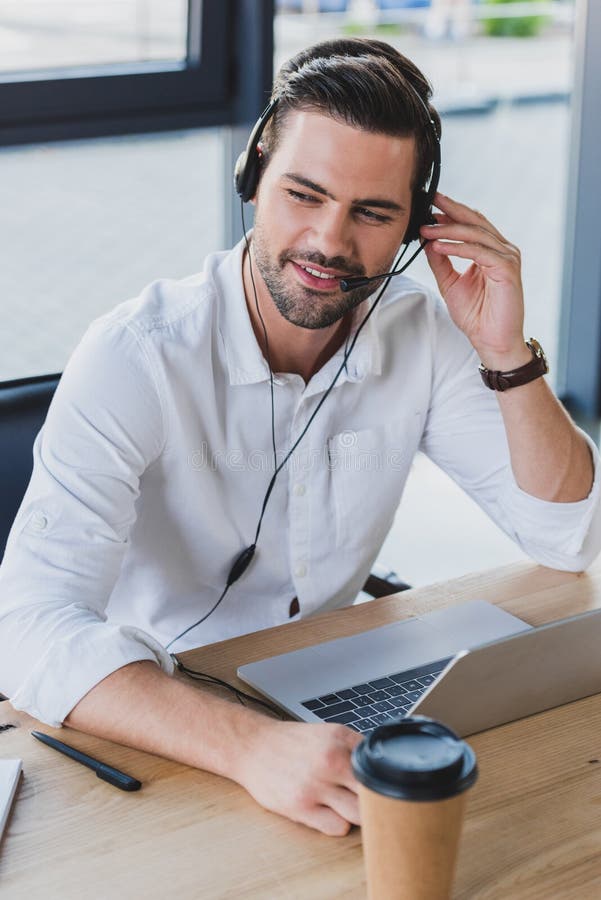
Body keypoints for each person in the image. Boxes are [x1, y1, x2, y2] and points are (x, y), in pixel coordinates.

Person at [0, 38, 599, 838]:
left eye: (372, 212)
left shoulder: (418, 332)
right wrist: (253, 748)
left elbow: (568, 535)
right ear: (252, 178)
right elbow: (26, 626)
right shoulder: (136, 354)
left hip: (323, 689)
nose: (328, 242)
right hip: (157, 709)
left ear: (416, 228)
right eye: (303, 195)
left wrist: (505, 355)